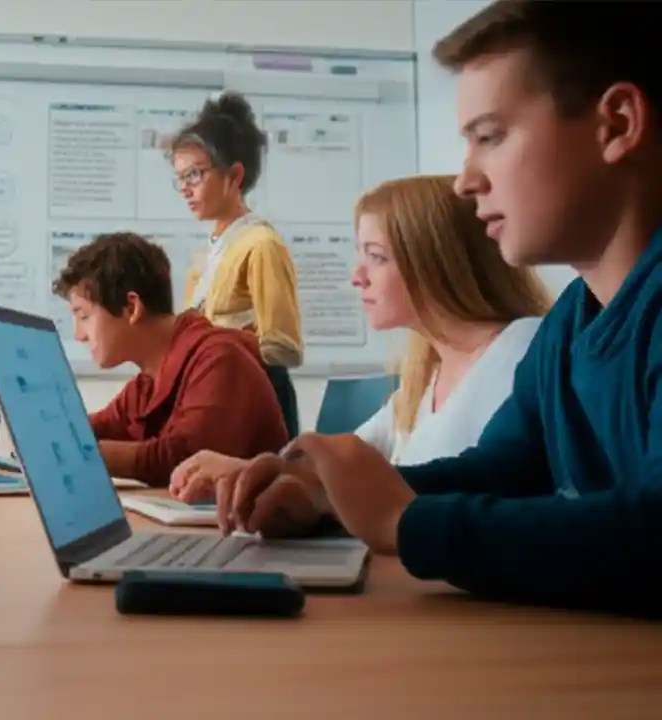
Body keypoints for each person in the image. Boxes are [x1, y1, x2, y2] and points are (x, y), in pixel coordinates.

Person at [209, 0, 662, 616]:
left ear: (616, 124)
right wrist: (330, 497)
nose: (465, 180)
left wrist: (405, 521)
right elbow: (501, 469)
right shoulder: (568, 325)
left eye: (491, 137)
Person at [171, 175, 550, 503]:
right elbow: (337, 462)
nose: (357, 276)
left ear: (437, 264)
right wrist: (242, 471)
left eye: (377, 257)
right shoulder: (426, 375)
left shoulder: (520, 353)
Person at [52, 232, 287, 487]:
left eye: (83, 316)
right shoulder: (147, 383)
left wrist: (81, 455)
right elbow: (93, 428)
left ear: (132, 308)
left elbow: (183, 459)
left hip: (242, 526)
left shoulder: (219, 359)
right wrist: (49, 436)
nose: (78, 335)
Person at [172, 91, 305, 437]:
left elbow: (283, 347)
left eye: (195, 175)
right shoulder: (202, 262)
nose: (185, 189)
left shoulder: (261, 244)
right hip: (215, 398)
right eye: (180, 178)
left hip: (257, 404)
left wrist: (217, 344)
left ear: (234, 176)